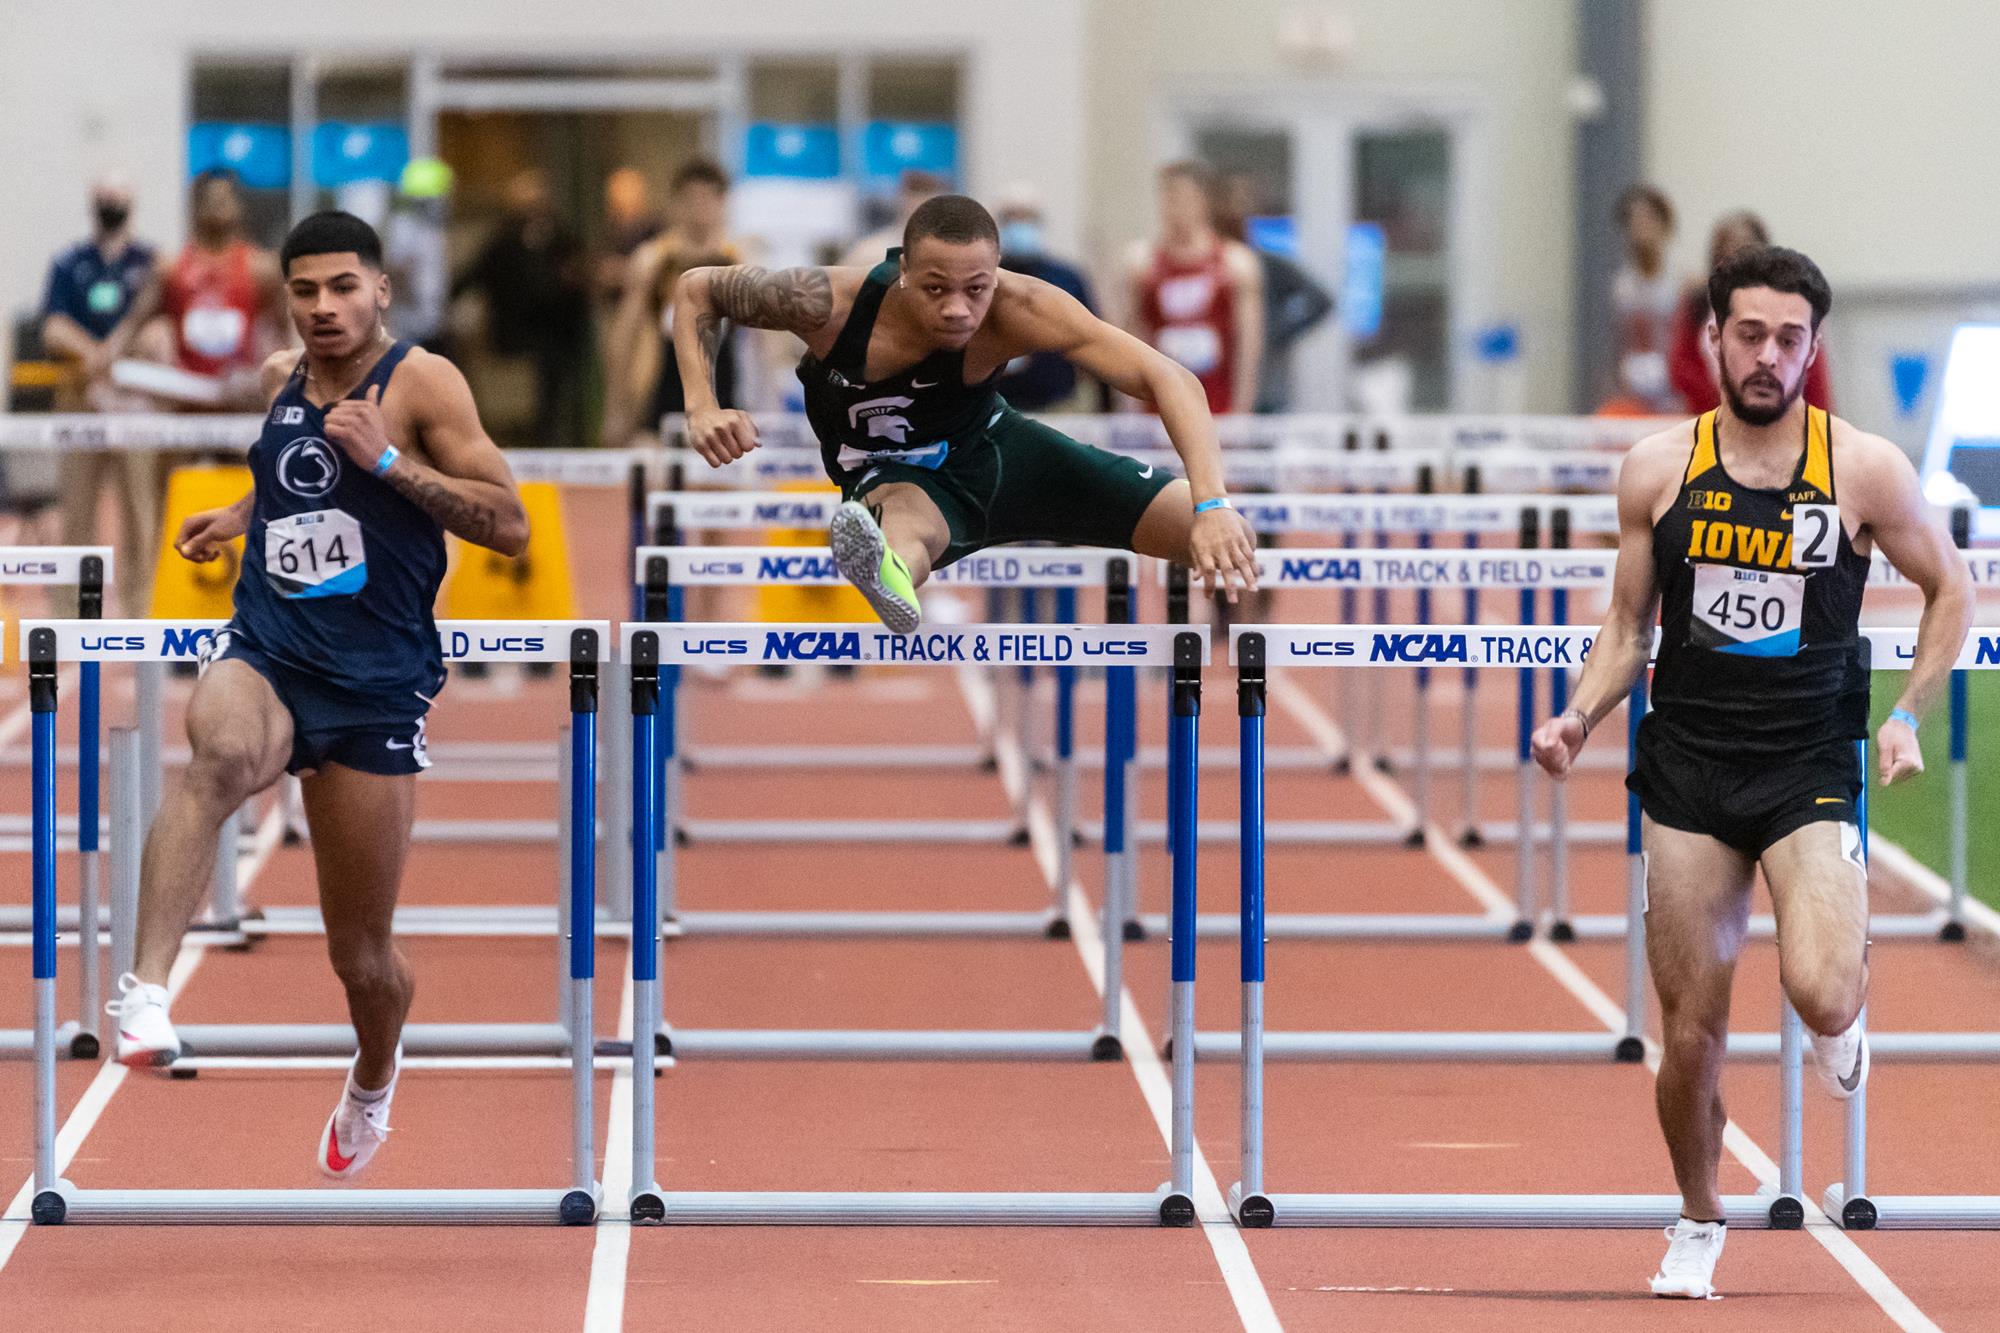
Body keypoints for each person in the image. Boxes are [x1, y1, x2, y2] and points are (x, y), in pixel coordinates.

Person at [1529, 245, 1971, 1299]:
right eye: (1748, 334)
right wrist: (1578, 714)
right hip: (1686, 765)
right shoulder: (1656, 470)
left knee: (1818, 989)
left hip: (1806, 762)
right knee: (1690, 1031)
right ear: (1710, 341)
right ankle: (1694, 1217)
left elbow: (1948, 588)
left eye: (1788, 338)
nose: (1768, 356)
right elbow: (1628, 623)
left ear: (1811, 348)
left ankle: (1843, 1017)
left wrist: (1904, 712)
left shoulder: (1859, 468)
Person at [102, 211, 530, 1182]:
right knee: (215, 756)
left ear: (382, 290)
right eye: (306, 290)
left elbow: (508, 526)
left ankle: (373, 1077)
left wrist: (389, 459)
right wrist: (242, 515)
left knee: (363, 957)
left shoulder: (423, 382)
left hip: (376, 685)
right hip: (271, 644)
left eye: (344, 286)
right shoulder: (278, 379)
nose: (325, 306)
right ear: (285, 298)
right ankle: (147, 992)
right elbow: (300, 481)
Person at [670, 195, 1260, 633]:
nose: (958, 309)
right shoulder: (831, 304)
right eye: (935, 289)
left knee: (1215, 528)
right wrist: (702, 405)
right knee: (904, 524)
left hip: (1003, 453)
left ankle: (1237, 626)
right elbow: (699, 289)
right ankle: (885, 568)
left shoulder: (1022, 306)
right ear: (901, 269)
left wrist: (1213, 504)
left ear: (997, 273)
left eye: (976, 288)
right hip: (895, 472)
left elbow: (1170, 378)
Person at [40, 175, 162, 610]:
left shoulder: (151, 263)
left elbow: (157, 325)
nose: (112, 203)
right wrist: (94, 355)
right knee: (76, 510)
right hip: (81, 395)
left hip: (135, 400)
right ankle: (65, 610)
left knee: (140, 510)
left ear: (132, 202)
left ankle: (141, 608)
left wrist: (121, 351)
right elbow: (53, 325)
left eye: (119, 196)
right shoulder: (70, 261)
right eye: (104, 197)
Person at [106, 169, 287, 409]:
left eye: (223, 200)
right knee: (153, 336)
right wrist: (103, 360)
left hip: (241, 386)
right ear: (195, 207)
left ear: (238, 207)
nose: (216, 206)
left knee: (271, 340)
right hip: (182, 387)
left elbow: (286, 332)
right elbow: (132, 325)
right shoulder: (168, 267)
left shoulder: (261, 267)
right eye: (210, 200)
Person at [604, 158, 743, 443]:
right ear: (676, 203)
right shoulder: (653, 258)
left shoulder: (739, 258)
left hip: (728, 391)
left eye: (708, 199)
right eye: (692, 199)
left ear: (722, 202)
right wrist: (616, 409)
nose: (700, 209)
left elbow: (767, 343)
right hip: (668, 393)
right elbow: (624, 337)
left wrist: (774, 403)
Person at [453, 169, 592, 448]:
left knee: (553, 399)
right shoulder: (502, 242)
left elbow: (578, 280)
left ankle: (551, 441)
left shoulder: (562, 239)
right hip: (514, 335)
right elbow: (470, 276)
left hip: (558, 337)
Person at [1126, 161, 1263, 416]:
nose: (1174, 208)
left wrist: (1242, 411)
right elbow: (1130, 336)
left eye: (1182, 197)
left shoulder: (1235, 263)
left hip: (1216, 403)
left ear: (1202, 200)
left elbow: (1248, 346)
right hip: (1156, 406)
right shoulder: (1141, 262)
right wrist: (1130, 410)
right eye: (1167, 197)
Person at [1668, 210, 1832, 414]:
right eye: (1728, 250)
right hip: (1710, 415)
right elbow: (1681, 368)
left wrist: (1820, 427)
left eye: (1746, 249)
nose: (1737, 258)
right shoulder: (1697, 305)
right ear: (1716, 256)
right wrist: (1728, 404)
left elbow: (1813, 376)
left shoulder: (1793, 304)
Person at [1214, 170, 1333, 415]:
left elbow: (1321, 299)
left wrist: (1273, 332)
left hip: (1264, 389)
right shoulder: (1212, 265)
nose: (1236, 210)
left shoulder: (1267, 264)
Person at [990, 182, 1099, 411]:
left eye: (1026, 217)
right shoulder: (986, 279)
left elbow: (1094, 336)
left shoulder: (1067, 277)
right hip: (998, 405)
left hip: (1058, 403)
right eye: (1012, 218)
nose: (1020, 225)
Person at [1607, 184, 1684, 415]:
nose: (1640, 227)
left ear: (1664, 225)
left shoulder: (1682, 283)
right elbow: (1617, 345)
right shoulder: (1621, 287)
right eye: (1632, 220)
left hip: (1675, 392)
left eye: (1648, 218)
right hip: (1633, 390)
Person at [842, 170, 947, 269]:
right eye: (915, 194)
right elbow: (839, 283)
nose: (919, 202)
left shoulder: (949, 251)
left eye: (925, 194)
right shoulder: (870, 251)